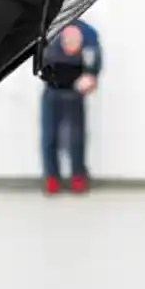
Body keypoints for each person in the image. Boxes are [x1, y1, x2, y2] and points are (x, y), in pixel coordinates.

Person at [40, 18, 102, 194]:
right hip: (52, 90)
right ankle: (51, 179)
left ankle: (78, 178)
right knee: (50, 136)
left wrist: (91, 75)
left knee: (76, 138)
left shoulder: (88, 32)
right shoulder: (49, 30)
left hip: (74, 92)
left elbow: (94, 59)